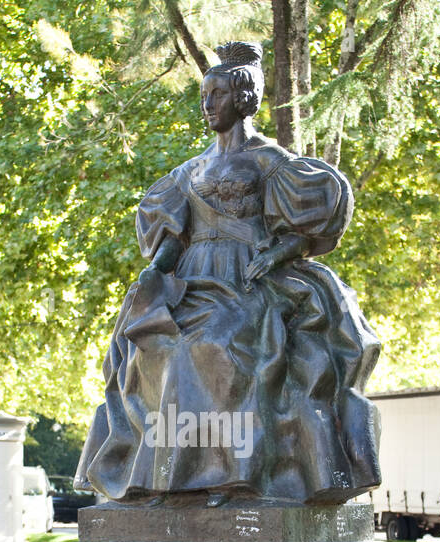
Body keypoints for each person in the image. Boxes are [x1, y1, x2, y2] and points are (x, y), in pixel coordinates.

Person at [76, 40, 381, 507]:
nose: (207, 104)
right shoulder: (189, 171)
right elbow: (173, 238)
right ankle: (168, 480)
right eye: (204, 95)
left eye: (217, 94)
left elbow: (306, 229)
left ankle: (233, 476)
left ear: (242, 99)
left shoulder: (269, 161)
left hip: (250, 280)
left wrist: (274, 257)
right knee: (155, 347)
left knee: (216, 344)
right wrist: (154, 272)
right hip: (193, 280)